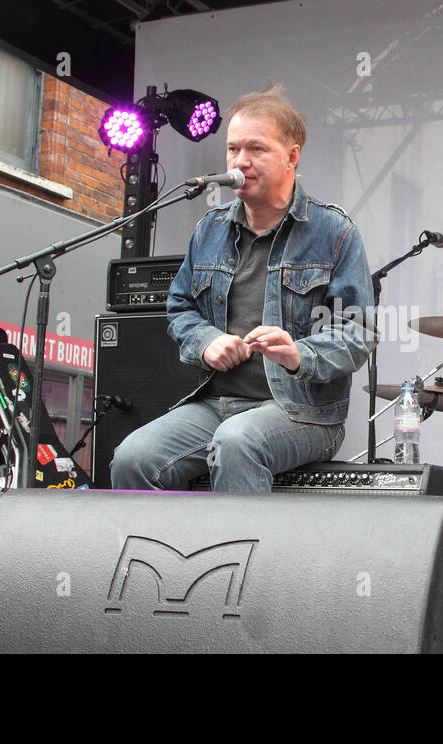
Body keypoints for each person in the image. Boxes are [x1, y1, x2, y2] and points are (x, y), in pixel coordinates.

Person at [110, 85, 374, 492]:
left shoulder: (333, 231)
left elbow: (357, 335)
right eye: (233, 149)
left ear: (291, 155)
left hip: (303, 412)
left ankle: (236, 557)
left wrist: (299, 353)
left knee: (237, 442)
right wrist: (206, 341)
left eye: (256, 149)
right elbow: (180, 307)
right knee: (132, 459)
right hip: (215, 406)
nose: (240, 161)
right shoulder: (209, 229)